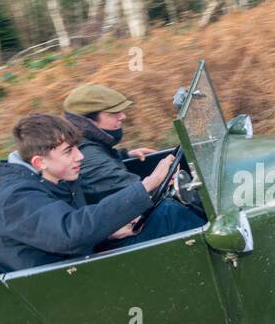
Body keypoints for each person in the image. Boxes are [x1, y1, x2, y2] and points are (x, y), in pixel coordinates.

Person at [0, 114, 177, 273]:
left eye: (77, 147)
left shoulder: (54, 176)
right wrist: (147, 185)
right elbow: (70, 233)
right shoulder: (17, 197)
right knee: (174, 218)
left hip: (76, 262)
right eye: (68, 151)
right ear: (39, 163)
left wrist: (106, 233)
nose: (80, 156)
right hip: (57, 285)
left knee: (167, 214)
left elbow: (68, 227)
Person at [62, 81, 205, 235]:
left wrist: (125, 155)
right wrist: (159, 180)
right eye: (113, 113)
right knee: (171, 212)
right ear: (87, 121)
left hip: (119, 218)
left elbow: (105, 161)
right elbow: (132, 190)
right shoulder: (88, 158)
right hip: (113, 235)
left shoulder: (88, 144)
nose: (123, 116)